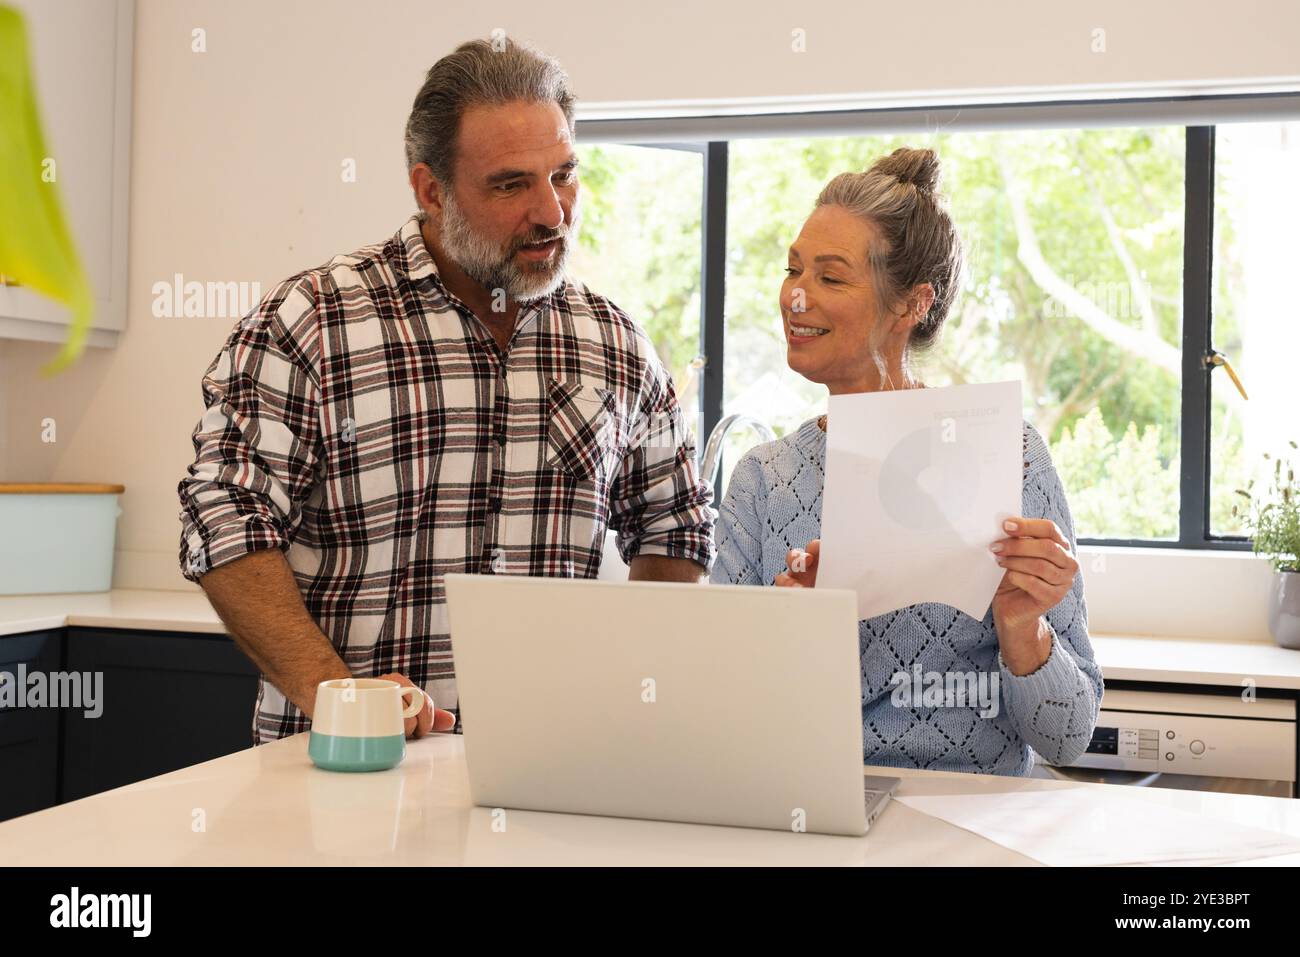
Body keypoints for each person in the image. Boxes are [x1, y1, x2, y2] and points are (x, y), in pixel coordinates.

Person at [178, 39, 715, 745]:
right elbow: (226, 516)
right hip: (345, 777)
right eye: (511, 184)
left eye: (564, 174)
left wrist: (617, 688)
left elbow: (674, 526)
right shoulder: (314, 322)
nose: (552, 212)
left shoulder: (614, 344)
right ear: (431, 190)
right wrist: (339, 698)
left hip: (548, 776)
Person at [710, 147, 1102, 775]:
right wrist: (789, 634)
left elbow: (1068, 737)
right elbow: (713, 714)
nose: (796, 298)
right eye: (793, 271)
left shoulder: (1011, 458)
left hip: (971, 827)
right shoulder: (764, 478)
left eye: (830, 278)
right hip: (818, 814)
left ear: (911, 304)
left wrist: (1023, 628)